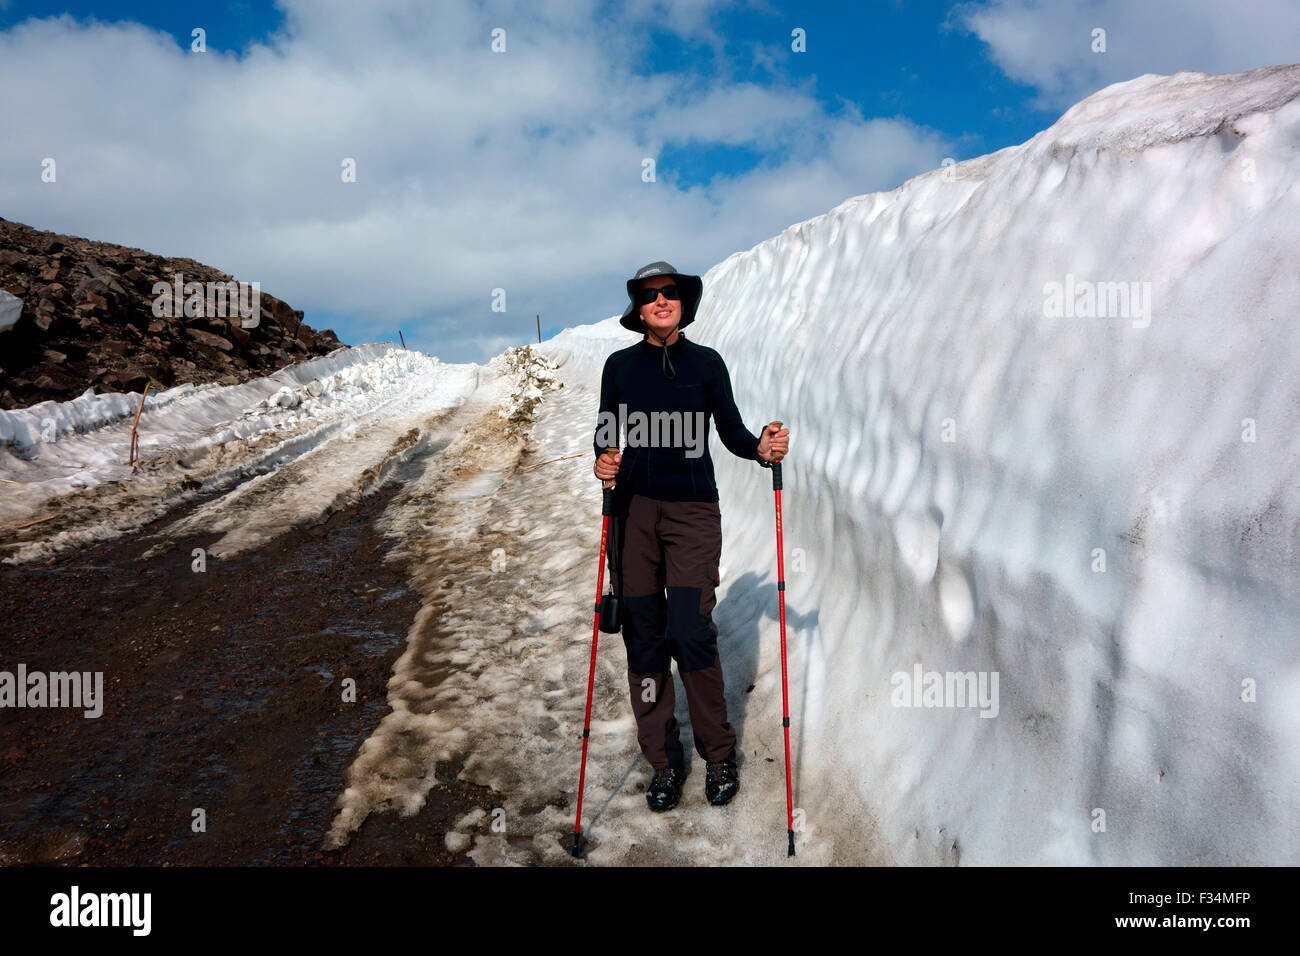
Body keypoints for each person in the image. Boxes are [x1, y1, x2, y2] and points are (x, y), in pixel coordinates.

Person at [592, 260, 790, 812]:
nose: (661, 299)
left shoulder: (706, 364)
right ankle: (662, 759)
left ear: (684, 302)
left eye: (670, 292)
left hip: (692, 513)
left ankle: (718, 751)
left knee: (690, 630)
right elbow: (605, 433)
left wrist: (760, 448)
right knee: (646, 635)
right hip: (632, 515)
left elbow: (729, 429)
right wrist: (604, 461)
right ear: (637, 306)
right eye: (650, 294)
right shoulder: (620, 366)